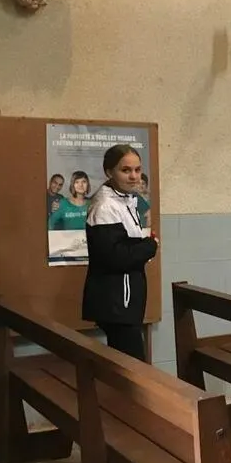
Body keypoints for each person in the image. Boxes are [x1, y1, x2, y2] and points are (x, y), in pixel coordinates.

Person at [82, 144, 159, 363]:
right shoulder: (105, 205)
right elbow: (116, 256)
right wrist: (150, 246)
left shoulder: (125, 198)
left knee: (128, 364)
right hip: (115, 302)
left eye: (137, 170)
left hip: (125, 300)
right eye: (126, 170)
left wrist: (143, 245)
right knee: (133, 367)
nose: (134, 176)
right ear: (109, 172)